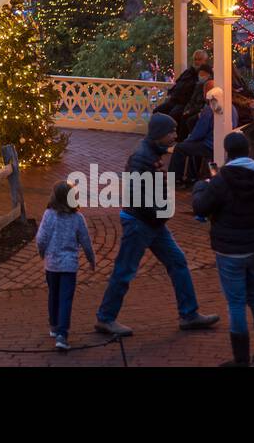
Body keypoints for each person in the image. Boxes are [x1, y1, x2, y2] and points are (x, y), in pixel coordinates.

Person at [94, 113, 220, 336]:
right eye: (171, 132)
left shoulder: (150, 153)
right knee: (125, 270)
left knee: (177, 262)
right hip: (141, 223)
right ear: (159, 134)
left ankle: (189, 314)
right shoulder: (142, 158)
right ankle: (105, 318)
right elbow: (135, 194)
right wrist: (159, 214)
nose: (175, 135)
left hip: (151, 223)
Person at [192, 131, 254, 367]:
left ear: (227, 152)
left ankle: (241, 360)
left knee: (236, 303)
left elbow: (201, 207)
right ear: (248, 150)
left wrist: (201, 186)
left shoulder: (221, 180)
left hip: (230, 249)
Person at [37, 181, 96, 350]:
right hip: (69, 266)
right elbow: (85, 241)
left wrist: (43, 253)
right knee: (66, 298)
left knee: (53, 294)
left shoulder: (49, 215)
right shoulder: (78, 218)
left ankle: (54, 325)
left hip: (52, 264)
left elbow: (41, 238)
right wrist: (91, 259)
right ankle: (62, 335)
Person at [169, 83, 237, 185]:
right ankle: (194, 176)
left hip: (210, 145)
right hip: (225, 143)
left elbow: (199, 133)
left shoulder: (210, 109)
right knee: (194, 146)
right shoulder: (231, 107)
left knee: (180, 148)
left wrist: (188, 140)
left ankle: (174, 179)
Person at [157, 49, 208, 116]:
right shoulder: (188, 72)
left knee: (172, 115)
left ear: (205, 61)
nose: (197, 62)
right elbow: (177, 83)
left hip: (185, 103)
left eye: (199, 59)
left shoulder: (204, 75)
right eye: (195, 59)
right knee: (157, 112)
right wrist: (170, 93)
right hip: (173, 100)